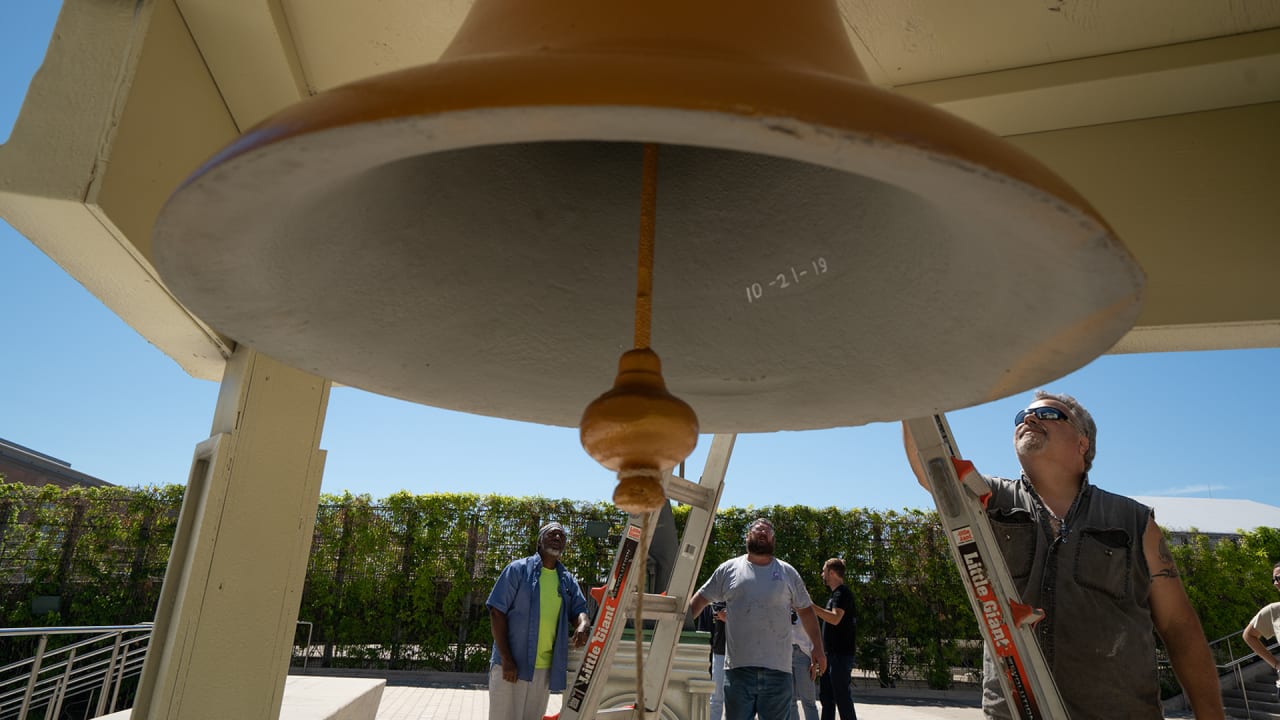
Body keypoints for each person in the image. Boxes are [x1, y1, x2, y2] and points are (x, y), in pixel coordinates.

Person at [904, 390, 1225, 720]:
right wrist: (913, 392)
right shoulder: (988, 499)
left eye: (1047, 415)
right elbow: (931, 467)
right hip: (1015, 712)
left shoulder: (1134, 522)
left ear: (1082, 443)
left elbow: (1179, 627)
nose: (1028, 419)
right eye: (1022, 417)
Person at [690, 518, 828, 720]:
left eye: (768, 531)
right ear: (747, 537)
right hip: (738, 673)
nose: (763, 532)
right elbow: (700, 600)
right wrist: (676, 630)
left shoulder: (788, 572)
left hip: (778, 673)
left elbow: (806, 611)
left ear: (773, 540)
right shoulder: (728, 570)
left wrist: (818, 647)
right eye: (757, 530)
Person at [486, 521, 591, 720]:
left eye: (562, 536)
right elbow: (496, 612)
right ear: (539, 542)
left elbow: (580, 610)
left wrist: (583, 624)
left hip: (542, 669)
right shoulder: (517, 570)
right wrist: (507, 660)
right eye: (552, 534)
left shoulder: (567, 579)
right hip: (511, 666)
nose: (558, 538)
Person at [810, 558, 858, 720]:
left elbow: (835, 619)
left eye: (824, 571)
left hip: (840, 655)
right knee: (827, 699)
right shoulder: (834, 595)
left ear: (831, 572)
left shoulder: (842, 593)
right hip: (830, 655)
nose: (821, 574)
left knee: (842, 698)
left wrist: (812, 607)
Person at [1241, 561, 1280, 699]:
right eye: (1274, 579)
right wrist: (1275, 664)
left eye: (1279, 578)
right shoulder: (1273, 611)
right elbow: (1249, 635)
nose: (1276, 583)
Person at [695, 601, 728, 720]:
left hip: (739, 653)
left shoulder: (740, 597)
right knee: (715, 698)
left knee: (736, 699)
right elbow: (703, 632)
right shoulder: (711, 603)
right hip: (719, 652)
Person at [789, 608, 820, 720]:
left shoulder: (805, 604)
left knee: (808, 701)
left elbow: (814, 632)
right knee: (789, 701)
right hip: (785, 654)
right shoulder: (781, 601)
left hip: (803, 654)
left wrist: (814, 660)